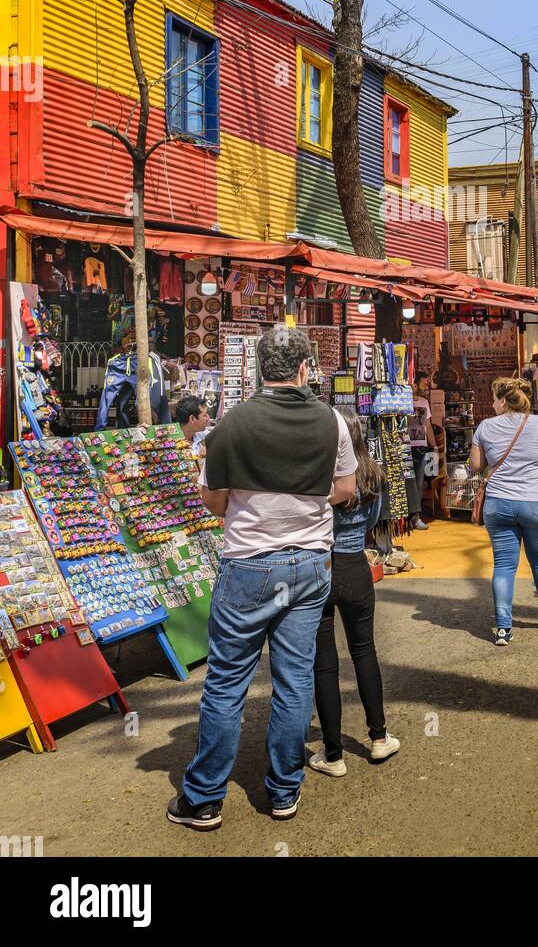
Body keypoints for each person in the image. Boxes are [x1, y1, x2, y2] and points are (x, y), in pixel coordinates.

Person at [166, 327, 357, 832]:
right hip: (309, 564)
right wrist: (303, 501)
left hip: (249, 564)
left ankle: (204, 798)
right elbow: (345, 489)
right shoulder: (331, 421)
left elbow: (214, 501)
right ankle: (283, 791)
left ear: (256, 370)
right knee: (294, 680)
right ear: (303, 370)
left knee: (227, 682)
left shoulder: (230, 426)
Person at [310, 412, 399, 776]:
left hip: (319, 569)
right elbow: (375, 520)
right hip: (354, 565)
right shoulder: (374, 474)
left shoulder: (317, 475)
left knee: (324, 662)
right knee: (364, 651)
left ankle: (333, 755)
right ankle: (378, 737)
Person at [469, 376, 538, 646]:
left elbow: (476, 465)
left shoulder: (484, 427)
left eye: (493, 399)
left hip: (498, 503)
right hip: (536, 501)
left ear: (503, 401)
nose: (491, 403)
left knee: (503, 565)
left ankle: (503, 628)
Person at [408, 372, 436, 531]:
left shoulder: (425, 402)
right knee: (408, 483)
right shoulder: (403, 402)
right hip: (406, 447)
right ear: (415, 384)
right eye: (424, 384)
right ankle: (407, 515)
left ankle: (416, 517)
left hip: (422, 447)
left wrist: (435, 446)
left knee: (419, 483)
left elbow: (428, 426)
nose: (427, 387)